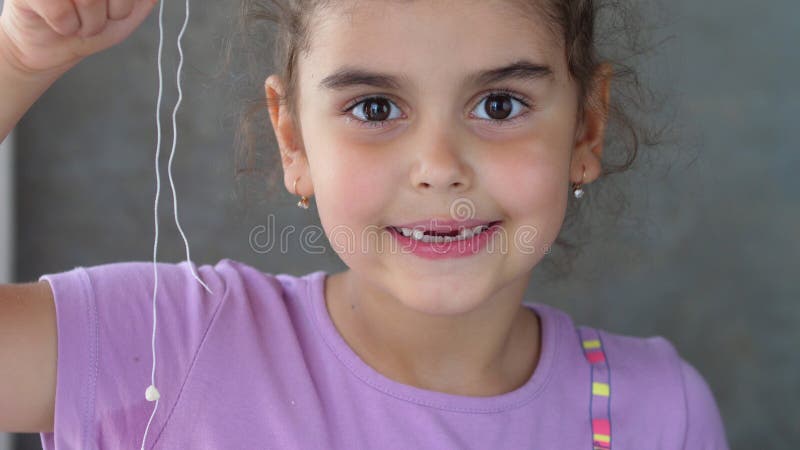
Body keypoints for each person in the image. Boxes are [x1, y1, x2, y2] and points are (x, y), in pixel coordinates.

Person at [0, 0, 730, 448]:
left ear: (586, 128)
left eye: (500, 105)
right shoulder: (166, 345)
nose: (439, 167)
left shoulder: (660, 414)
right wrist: (15, 60)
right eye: (376, 108)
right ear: (294, 142)